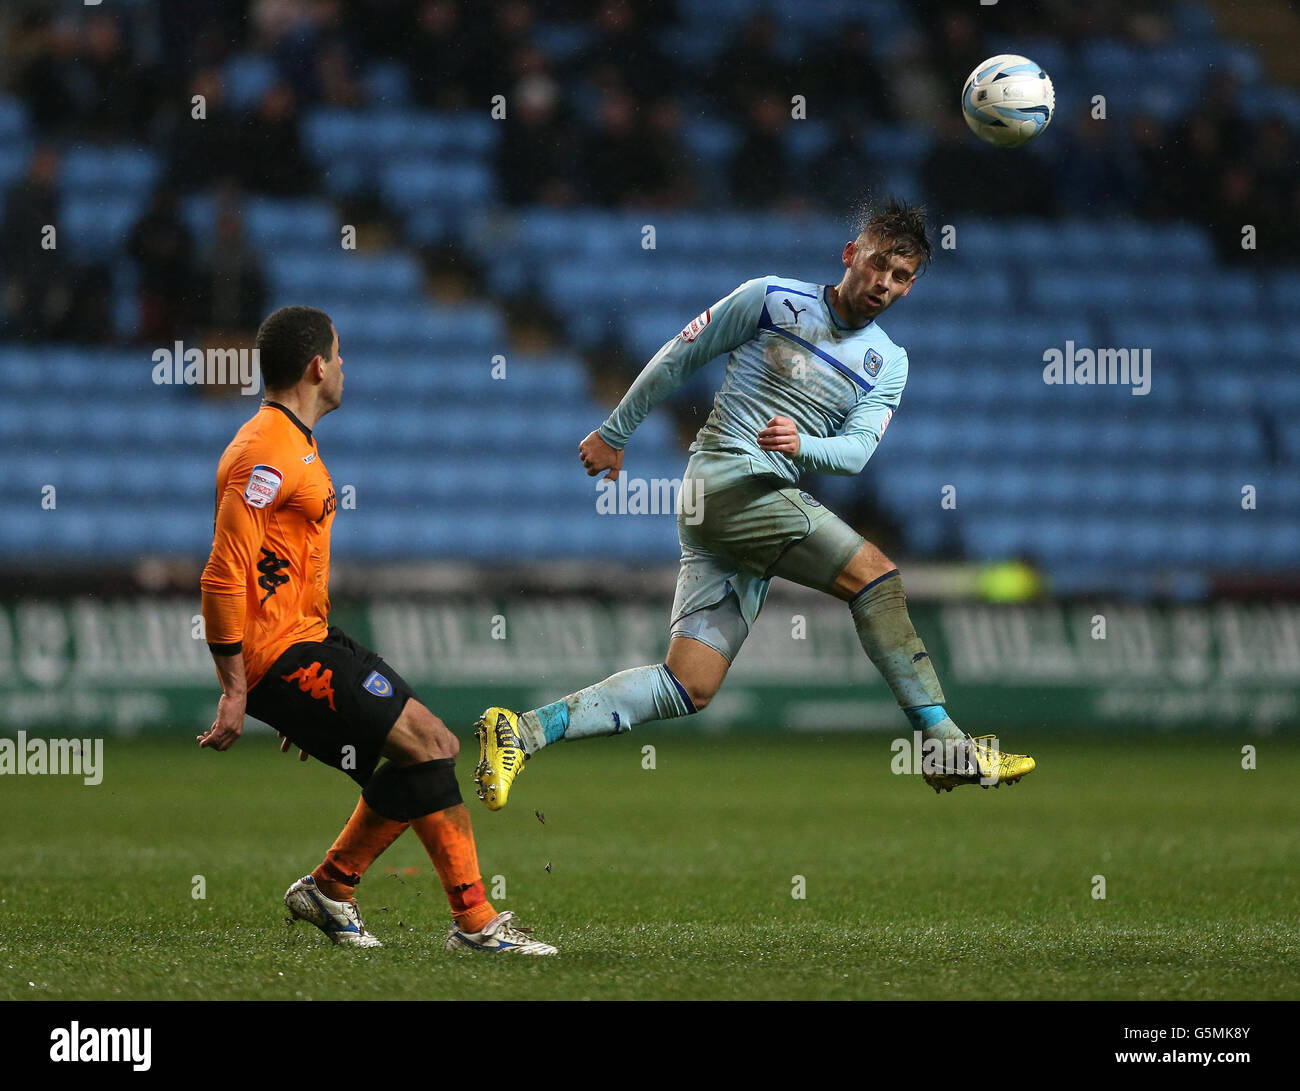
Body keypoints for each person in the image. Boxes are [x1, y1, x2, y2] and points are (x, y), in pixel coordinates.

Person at [474, 199, 1035, 810]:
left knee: (688, 685)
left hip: (747, 506)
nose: (883, 284)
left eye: (901, 278)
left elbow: (853, 455)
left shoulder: (888, 363)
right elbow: (679, 355)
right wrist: (615, 432)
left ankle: (523, 731)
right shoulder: (769, 299)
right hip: (727, 478)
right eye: (877, 265)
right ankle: (944, 742)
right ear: (850, 255)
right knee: (874, 575)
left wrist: (805, 443)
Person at [199, 305, 554, 955]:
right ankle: (474, 922)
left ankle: (333, 887)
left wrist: (300, 699)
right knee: (425, 741)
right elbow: (223, 574)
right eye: (338, 355)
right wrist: (239, 688)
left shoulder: (292, 442)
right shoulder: (264, 451)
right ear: (316, 366)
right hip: (280, 654)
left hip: (308, 643)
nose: (343, 367)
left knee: (430, 744)